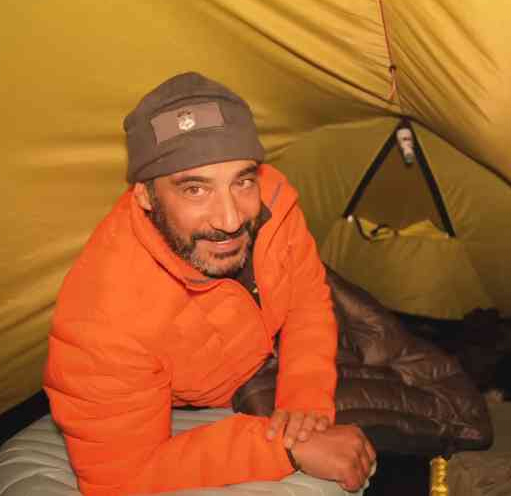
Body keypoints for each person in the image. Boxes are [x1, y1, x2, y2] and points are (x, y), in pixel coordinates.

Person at [43, 72, 376, 495]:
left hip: (272, 335)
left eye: (242, 180)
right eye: (195, 189)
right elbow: (116, 474)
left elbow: (308, 299)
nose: (231, 219)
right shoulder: (102, 318)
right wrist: (286, 449)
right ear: (144, 196)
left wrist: (305, 399)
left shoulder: (273, 199)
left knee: (455, 398)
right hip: (230, 378)